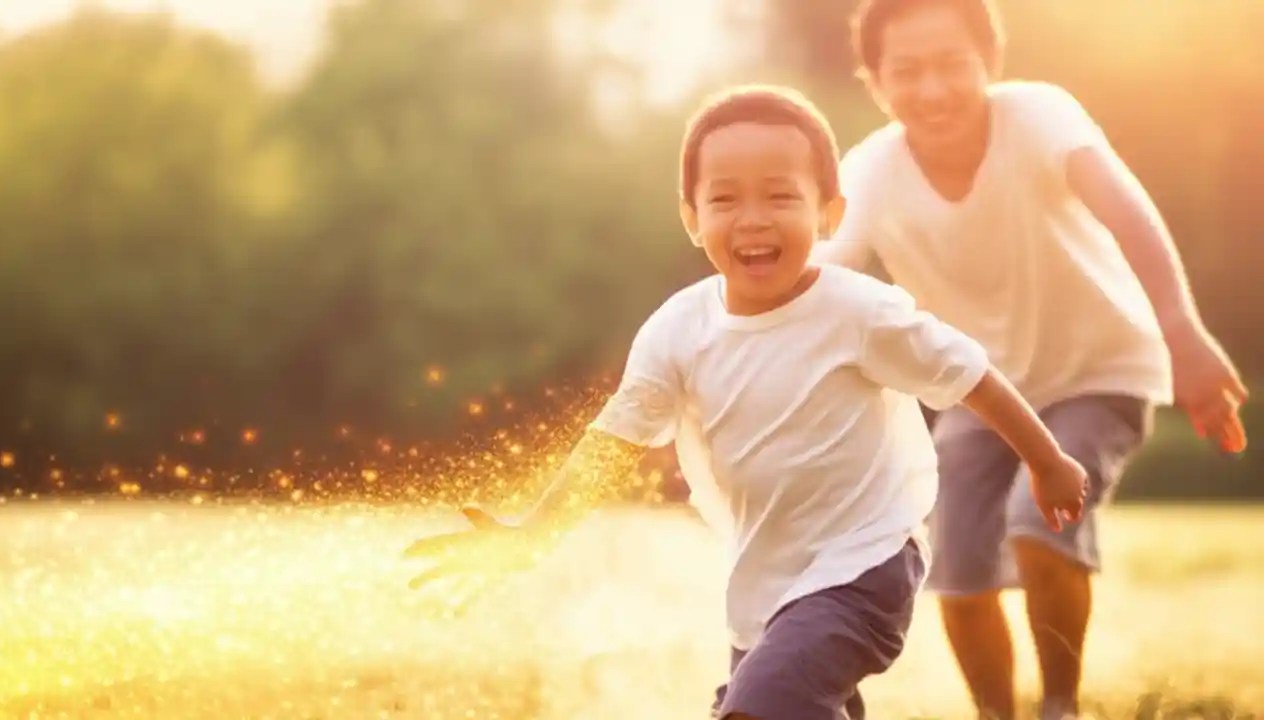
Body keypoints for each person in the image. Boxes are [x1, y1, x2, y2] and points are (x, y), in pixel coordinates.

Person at [404, 85, 1089, 720]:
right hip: (765, 585)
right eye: (725, 200)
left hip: (867, 563)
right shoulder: (678, 329)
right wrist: (534, 532)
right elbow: (616, 439)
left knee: (757, 711)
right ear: (691, 218)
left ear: (829, 214)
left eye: (780, 197)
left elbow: (969, 373)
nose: (753, 220)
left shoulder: (858, 312)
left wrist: (1047, 459)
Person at [812, 1, 1251, 718]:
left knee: (1041, 524)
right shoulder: (868, 172)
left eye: (951, 64)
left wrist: (1183, 332)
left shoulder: (1038, 116)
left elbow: (1127, 211)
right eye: (906, 71)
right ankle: (996, 713)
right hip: (982, 396)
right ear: (874, 82)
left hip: (1098, 370)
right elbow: (830, 284)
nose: (931, 89)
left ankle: (1058, 706)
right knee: (955, 569)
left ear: (990, 58)